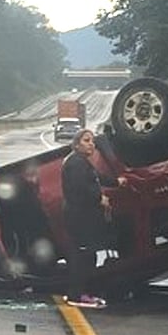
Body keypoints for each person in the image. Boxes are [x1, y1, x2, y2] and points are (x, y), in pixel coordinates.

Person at [61, 129, 125, 308]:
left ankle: (80, 293)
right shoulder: (76, 164)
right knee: (83, 257)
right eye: (86, 140)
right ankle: (77, 295)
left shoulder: (81, 162)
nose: (91, 144)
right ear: (76, 144)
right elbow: (81, 187)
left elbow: (96, 178)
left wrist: (116, 182)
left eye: (92, 141)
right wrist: (99, 198)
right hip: (79, 217)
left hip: (81, 215)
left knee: (86, 254)